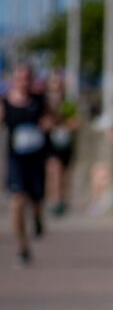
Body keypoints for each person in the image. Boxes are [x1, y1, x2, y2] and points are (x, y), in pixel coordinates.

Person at [4, 63, 51, 266]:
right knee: (16, 201)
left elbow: (51, 119)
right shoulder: (6, 102)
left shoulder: (39, 101)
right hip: (16, 159)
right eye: (19, 78)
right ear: (14, 80)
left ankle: (38, 218)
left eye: (27, 78)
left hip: (36, 159)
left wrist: (47, 123)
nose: (23, 82)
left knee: (36, 200)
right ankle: (23, 247)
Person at [44, 71, 80, 218]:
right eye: (54, 83)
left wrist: (63, 123)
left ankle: (61, 199)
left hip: (65, 143)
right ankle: (54, 201)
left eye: (59, 83)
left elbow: (76, 123)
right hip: (50, 143)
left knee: (64, 173)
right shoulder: (44, 102)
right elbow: (44, 123)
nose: (57, 86)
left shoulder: (68, 104)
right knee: (54, 169)